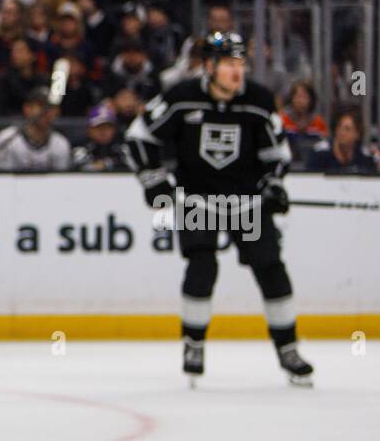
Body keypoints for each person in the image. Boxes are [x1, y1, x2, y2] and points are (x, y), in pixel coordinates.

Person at [124, 31, 313, 386]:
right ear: (209, 66)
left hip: (247, 203)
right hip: (198, 201)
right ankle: (193, 342)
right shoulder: (181, 98)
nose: (236, 72)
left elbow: (278, 155)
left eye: (240, 64)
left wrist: (273, 185)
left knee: (271, 269)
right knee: (202, 265)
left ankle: (288, 348)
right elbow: (138, 138)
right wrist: (154, 181)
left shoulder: (257, 100)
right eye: (228, 64)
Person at [0, 87, 71, 171]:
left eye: (51, 107)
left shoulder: (61, 144)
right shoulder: (6, 139)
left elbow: (61, 181)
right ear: (27, 108)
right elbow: (0, 180)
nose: (46, 112)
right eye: (41, 105)